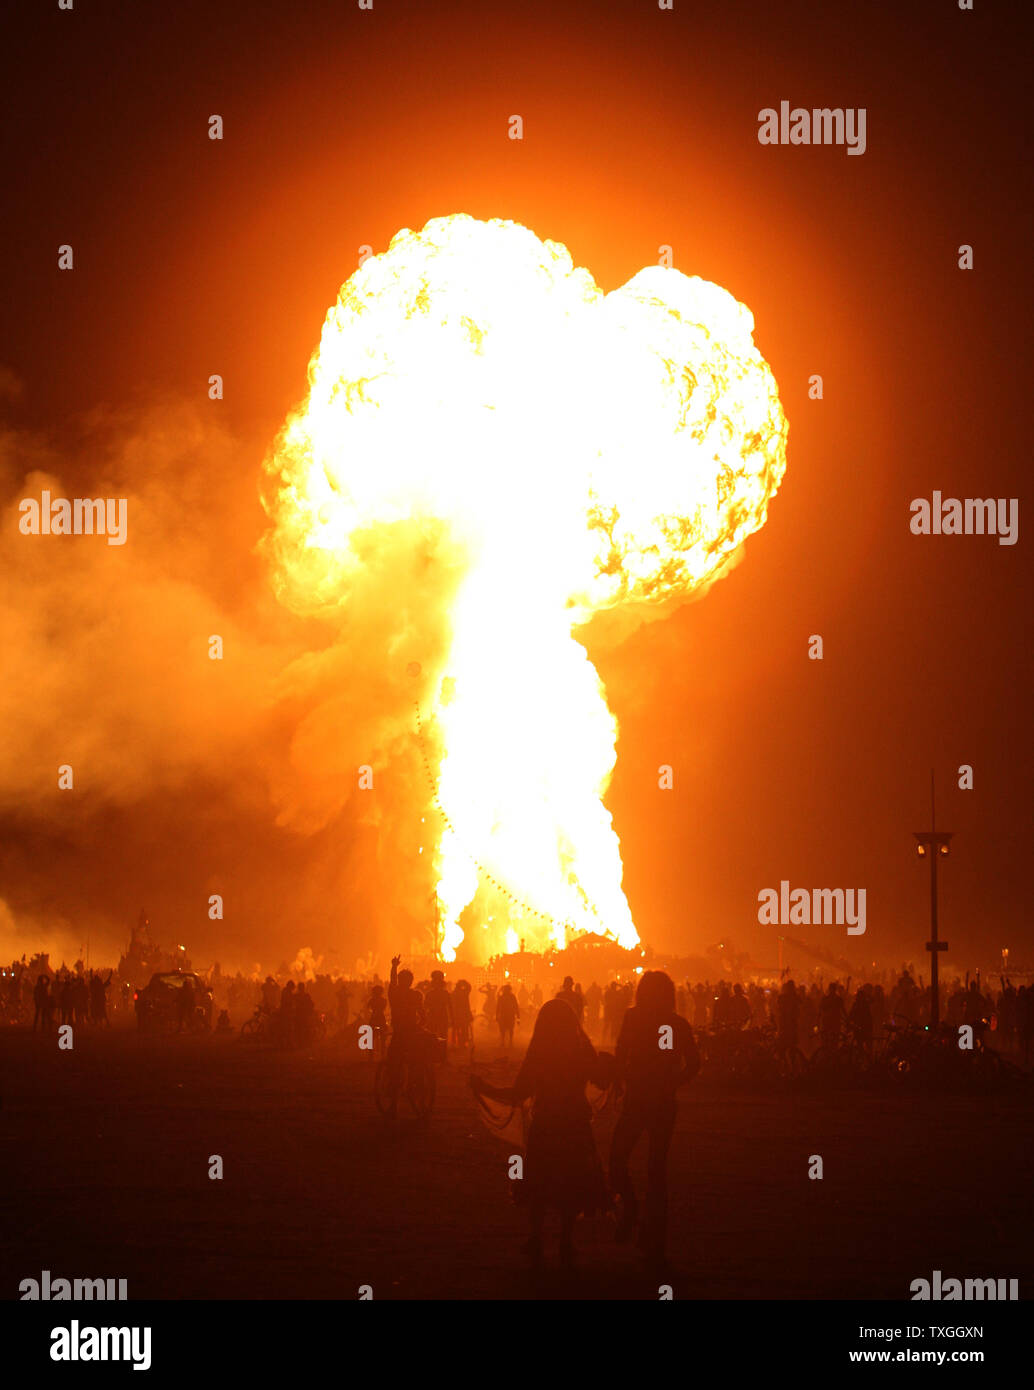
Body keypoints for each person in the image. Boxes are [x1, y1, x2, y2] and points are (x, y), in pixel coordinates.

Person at [470, 999, 612, 1268]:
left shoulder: (540, 1052)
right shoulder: (582, 1049)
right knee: (571, 1181)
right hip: (574, 1125)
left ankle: (536, 1239)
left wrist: (483, 1088)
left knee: (539, 1181)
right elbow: (602, 1080)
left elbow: (518, 1093)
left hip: (546, 1123)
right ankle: (566, 1241)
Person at [609, 971, 698, 1268]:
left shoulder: (635, 1018)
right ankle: (652, 1235)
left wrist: (620, 1079)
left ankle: (634, 1212)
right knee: (655, 1170)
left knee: (619, 1157)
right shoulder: (675, 1024)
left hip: (640, 1100)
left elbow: (621, 1052)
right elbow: (694, 1062)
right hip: (659, 1103)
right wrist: (674, 1081)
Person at [424, 970, 451, 1042]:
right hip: (441, 1017)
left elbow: (425, 1007)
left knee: (432, 1038)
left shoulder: (429, 994)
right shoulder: (445, 994)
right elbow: (450, 1007)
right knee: (442, 1038)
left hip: (433, 1017)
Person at [496, 982, 519, 1049]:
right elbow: (498, 1007)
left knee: (508, 1029)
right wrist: (518, 1016)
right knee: (506, 1029)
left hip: (507, 1015)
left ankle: (508, 1042)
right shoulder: (509, 997)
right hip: (507, 1015)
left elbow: (515, 1006)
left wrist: (518, 1016)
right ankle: (506, 1042)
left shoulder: (508, 997)